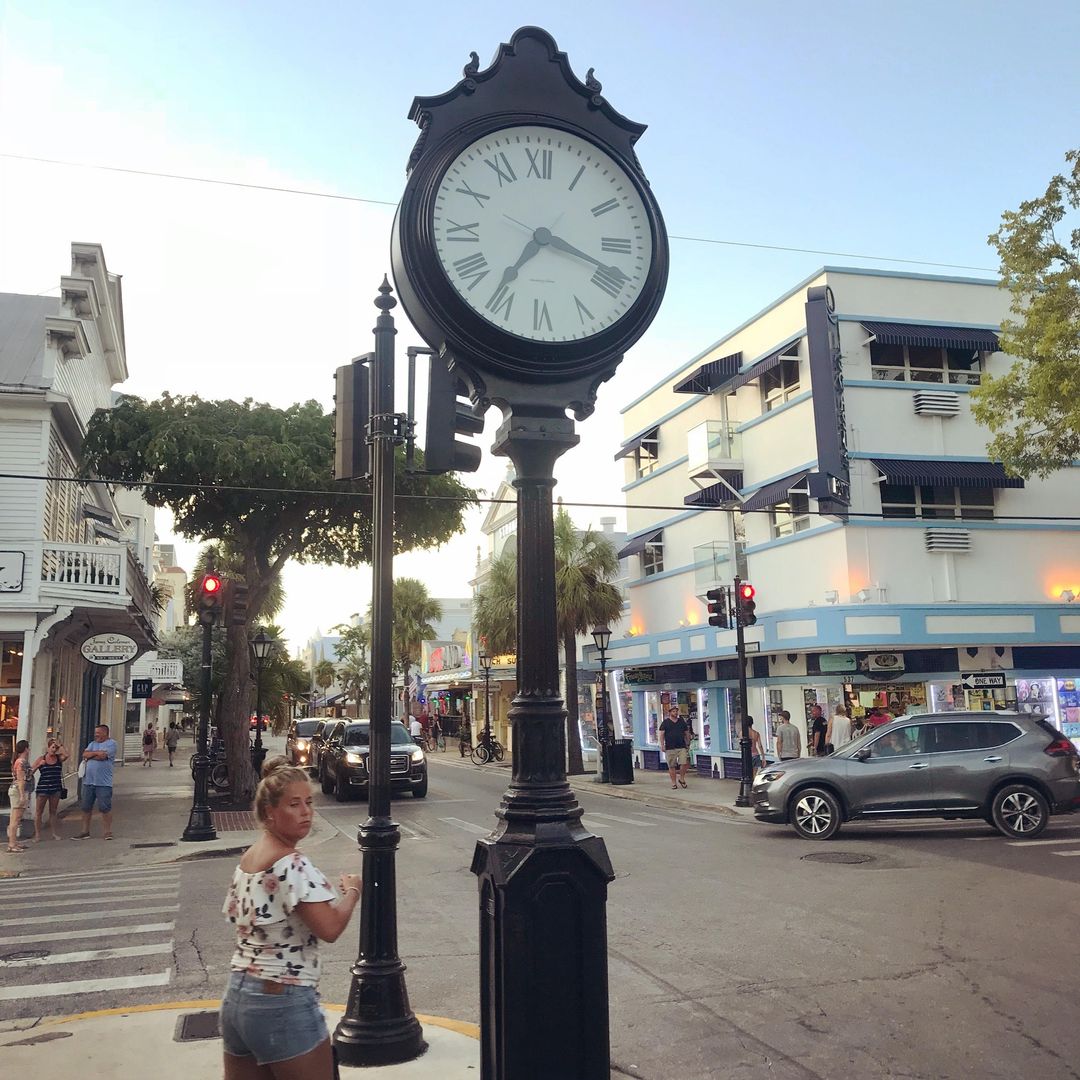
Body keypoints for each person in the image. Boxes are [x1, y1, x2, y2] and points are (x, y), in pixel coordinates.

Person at [220, 757, 361, 1078]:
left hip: (238, 997)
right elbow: (330, 927)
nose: (306, 812)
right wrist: (353, 891)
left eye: (309, 802)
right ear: (269, 812)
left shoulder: (248, 859)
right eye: (294, 804)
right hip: (282, 1000)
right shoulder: (290, 863)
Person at [73, 723, 117, 840]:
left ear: (105, 733)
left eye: (98, 733)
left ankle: (107, 832)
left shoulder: (112, 744)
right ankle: (85, 831)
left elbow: (103, 757)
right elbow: (84, 754)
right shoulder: (92, 744)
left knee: (105, 808)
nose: (95, 735)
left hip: (103, 783)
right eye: (95, 733)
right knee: (86, 807)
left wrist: (91, 755)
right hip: (88, 782)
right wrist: (96, 753)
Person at [32, 737, 68, 841]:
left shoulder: (58, 758)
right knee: (39, 811)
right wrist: (39, 765)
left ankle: (54, 833)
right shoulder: (41, 759)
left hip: (55, 788)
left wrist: (60, 745)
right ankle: (37, 835)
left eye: (55, 748)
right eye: (52, 747)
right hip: (43, 789)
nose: (54, 750)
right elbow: (31, 771)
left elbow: (66, 755)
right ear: (47, 748)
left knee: (53, 811)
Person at [6, 740, 31, 853]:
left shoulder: (19, 761)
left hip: (17, 790)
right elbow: (21, 779)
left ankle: (14, 842)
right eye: (28, 748)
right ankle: (11, 844)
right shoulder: (21, 762)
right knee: (15, 819)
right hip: (17, 791)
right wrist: (22, 795)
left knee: (16, 818)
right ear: (25, 749)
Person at [659, 705, 691, 790]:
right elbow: (662, 734)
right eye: (673, 711)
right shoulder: (665, 722)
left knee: (683, 763)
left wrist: (688, 742)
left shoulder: (681, 722)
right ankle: (674, 783)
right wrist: (662, 745)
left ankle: (682, 779)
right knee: (671, 765)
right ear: (670, 713)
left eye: (676, 711)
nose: (675, 713)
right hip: (670, 747)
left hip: (681, 746)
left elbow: (686, 732)